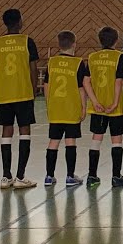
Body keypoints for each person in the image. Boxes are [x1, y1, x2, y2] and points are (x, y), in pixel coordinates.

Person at [0, 8, 39, 190]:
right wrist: (34, 90)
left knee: (6, 131)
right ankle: (20, 176)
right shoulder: (27, 41)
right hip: (23, 92)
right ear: (20, 21)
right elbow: (33, 67)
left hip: (4, 94)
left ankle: (5, 176)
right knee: (24, 130)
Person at [83, 26, 123, 188]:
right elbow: (119, 81)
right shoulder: (119, 57)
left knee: (96, 139)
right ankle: (116, 176)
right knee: (116, 140)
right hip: (114, 106)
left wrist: (94, 101)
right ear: (116, 40)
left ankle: (91, 176)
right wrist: (116, 101)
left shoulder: (92, 57)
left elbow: (86, 82)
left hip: (98, 106)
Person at [43, 30, 87, 188]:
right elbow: (81, 88)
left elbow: (46, 85)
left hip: (55, 108)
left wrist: (49, 103)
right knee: (70, 141)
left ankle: (49, 176)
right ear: (74, 44)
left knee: (53, 142)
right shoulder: (78, 63)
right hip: (71, 108)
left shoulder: (51, 62)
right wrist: (84, 107)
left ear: (59, 44)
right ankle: (69, 176)